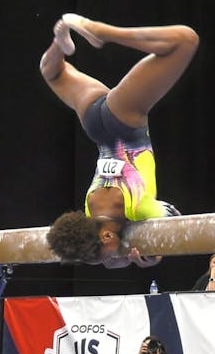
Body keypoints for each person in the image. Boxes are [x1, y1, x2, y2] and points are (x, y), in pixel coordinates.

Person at [41, 14, 199, 268]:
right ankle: (60, 42)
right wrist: (141, 260)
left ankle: (105, 33)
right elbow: (112, 258)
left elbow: (176, 225)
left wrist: (153, 258)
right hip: (94, 121)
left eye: (107, 255)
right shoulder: (90, 211)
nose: (111, 259)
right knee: (53, 74)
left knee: (185, 41)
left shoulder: (139, 208)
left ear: (106, 236)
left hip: (124, 122)